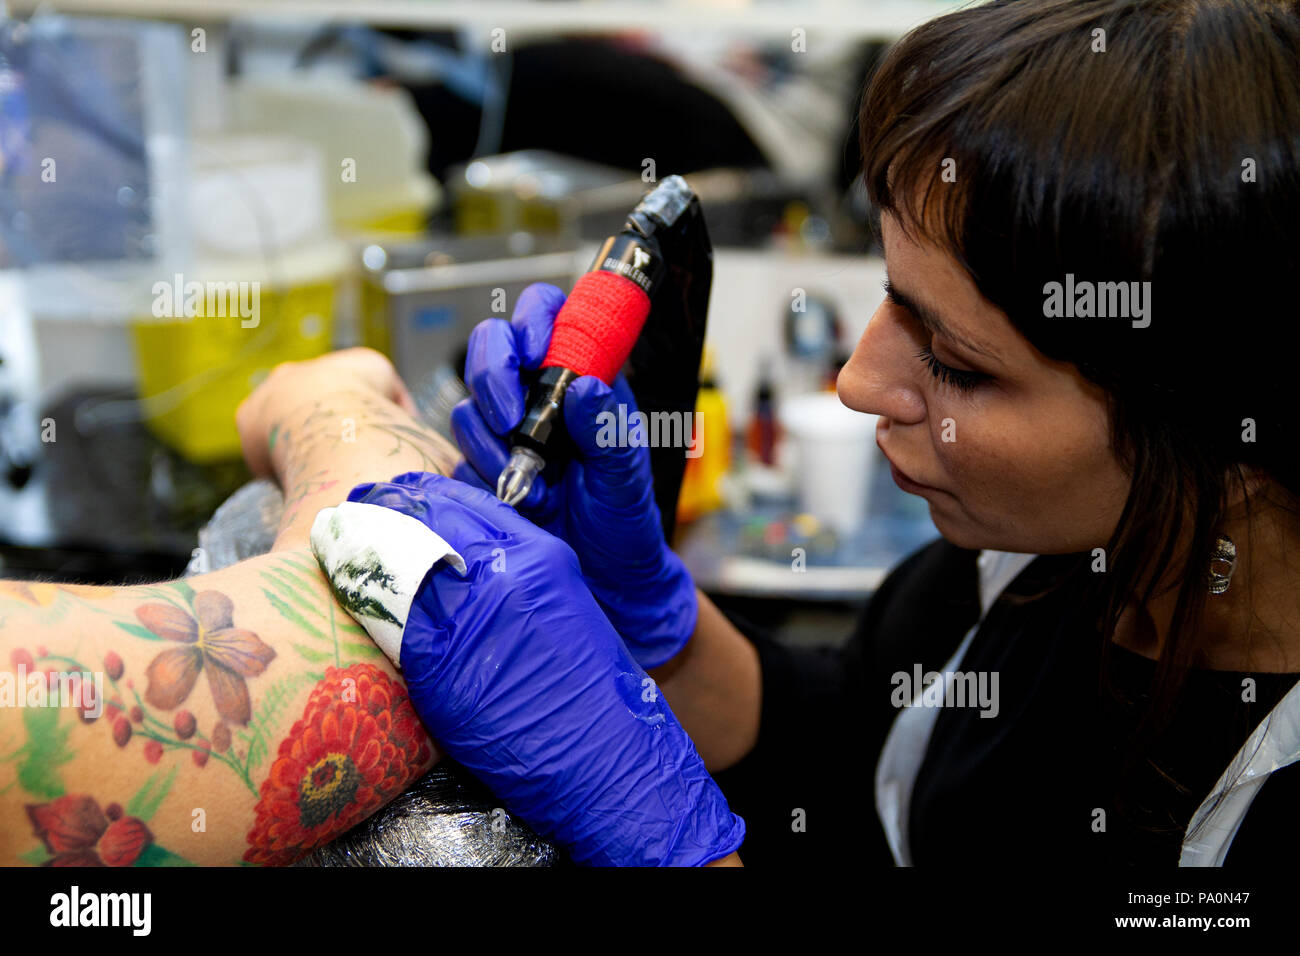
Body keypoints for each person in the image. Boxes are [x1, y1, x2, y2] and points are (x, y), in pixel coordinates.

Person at [431, 0, 1300, 866]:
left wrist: (653, 821)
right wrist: (657, 625)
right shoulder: (1025, 568)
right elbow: (850, 742)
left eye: (959, 363)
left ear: (1233, 431)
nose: (857, 384)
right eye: (895, 294)